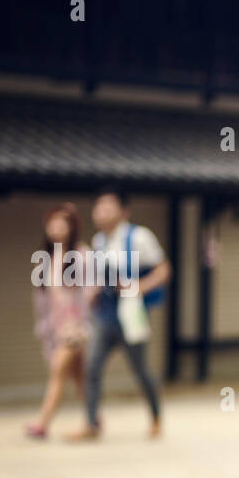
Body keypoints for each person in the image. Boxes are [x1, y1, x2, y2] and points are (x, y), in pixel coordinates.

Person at [69, 188, 172, 440]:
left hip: (131, 314)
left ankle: (156, 417)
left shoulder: (139, 237)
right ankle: (91, 423)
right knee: (92, 368)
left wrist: (138, 287)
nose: (101, 212)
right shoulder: (99, 241)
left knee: (140, 369)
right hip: (104, 315)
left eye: (108, 207)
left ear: (123, 211)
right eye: (98, 207)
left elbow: (163, 270)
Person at [26, 204, 90, 438]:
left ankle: (42, 423)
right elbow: (41, 299)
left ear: (72, 226)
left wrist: (84, 323)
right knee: (79, 377)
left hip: (76, 328)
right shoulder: (44, 259)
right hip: (56, 327)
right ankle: (94, 418)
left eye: (62, 222)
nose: (56, 227)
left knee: (57, 371)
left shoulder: (83, 255)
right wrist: (43, 326)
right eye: (52, 222)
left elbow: (89, 293)